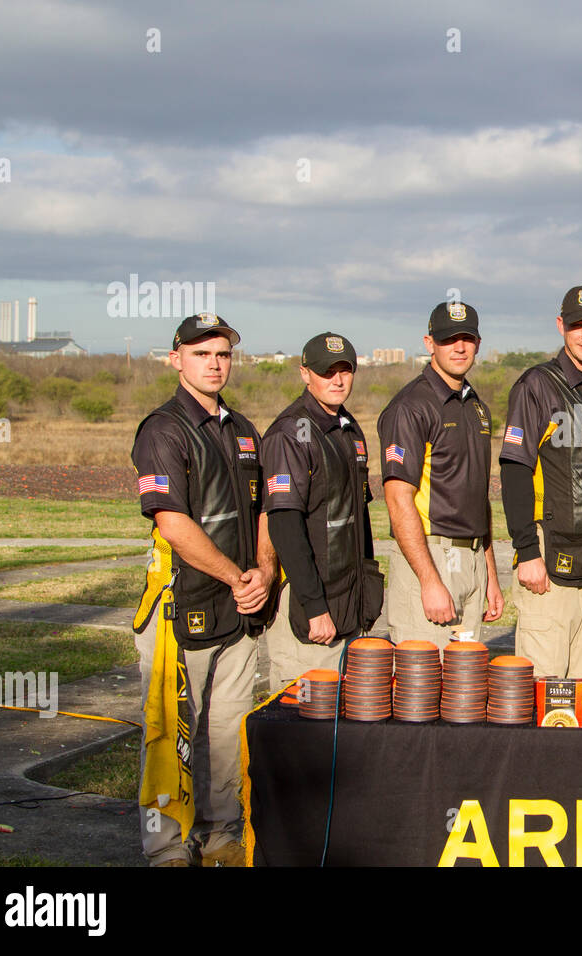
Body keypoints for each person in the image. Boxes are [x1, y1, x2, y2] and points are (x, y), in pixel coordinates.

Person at [131, 313, 276, 867]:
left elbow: (265, 510)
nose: (215, 363)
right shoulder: (162, 429)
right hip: (177, 603)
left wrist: (262, 571)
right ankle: (165, 847)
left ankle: (219, 836)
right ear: (176, 359)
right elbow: (173, 522)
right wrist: (236, 576)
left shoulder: (242, 428)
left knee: (225, 728)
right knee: (170, 730)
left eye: (222, 354)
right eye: (201, 354)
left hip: (238, 603)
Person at [500, 284, 582, 681]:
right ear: (561, 326)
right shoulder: (536, 385)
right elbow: (514, 469)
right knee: (543, 688)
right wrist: (526, 551)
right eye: (577, 325)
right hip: (549, 562)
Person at [377, 302, 503, 650]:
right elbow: (397, 498)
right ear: (429, 343)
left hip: (473, 555)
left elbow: (479, 496)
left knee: (463, 686)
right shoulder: (410, 407)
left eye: (467, 338)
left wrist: (490, 574)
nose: (459, 347)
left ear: (478, 343)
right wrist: (429, 580)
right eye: (448, 339)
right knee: (424, 686)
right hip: (431, 556)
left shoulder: (476, 406)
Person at [260, 332, 382, 688]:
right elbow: (284, 525)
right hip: (312, 610)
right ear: (305, 373)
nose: (338, 380)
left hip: (347, 604)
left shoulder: (348, 429)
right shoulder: (291, 433)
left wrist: (367, 593)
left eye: (346, 370)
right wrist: (314, 607)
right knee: (303, 725)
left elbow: (359, 519)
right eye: (327, 371)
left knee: (339, 725)